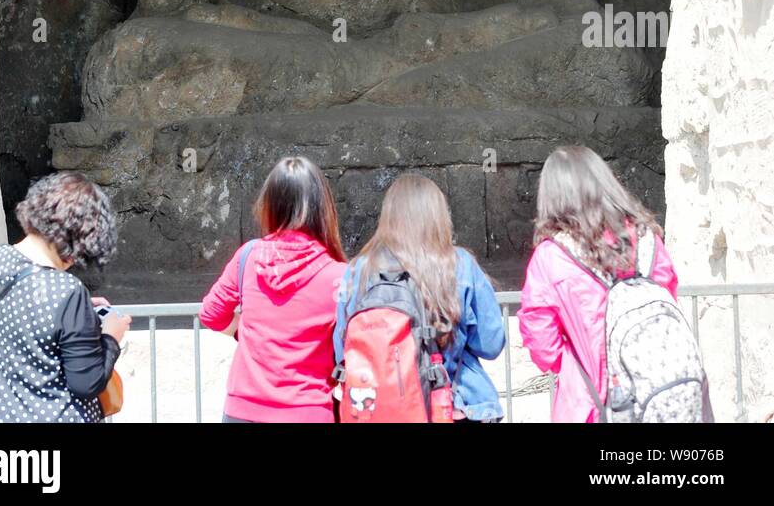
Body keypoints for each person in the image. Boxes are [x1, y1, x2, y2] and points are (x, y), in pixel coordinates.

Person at [518, 145, 679, 423]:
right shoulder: (647, 239)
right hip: (660, 389)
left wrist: (576, 364)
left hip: (590, 400)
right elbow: (667, 299)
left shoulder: (552, 256)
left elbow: (542, 343)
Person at [0, 171, 131, 423]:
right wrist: (110, 337)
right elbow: (86, 382)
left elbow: (18, 315)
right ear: (77, 235)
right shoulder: (66, 292)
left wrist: (78, 316)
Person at [334, 173, 505, 422]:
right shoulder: (460, 264)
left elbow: (342, 348)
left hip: (380, 407)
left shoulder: (358, 270)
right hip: (456, 405)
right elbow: (490, 344)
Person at [200, 156, 347, 423]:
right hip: (306, 411)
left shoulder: (248, 257)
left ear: (269, 205)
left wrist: (242, 329)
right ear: (323, 208)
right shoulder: (339, 277)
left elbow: (211, 314)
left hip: (242, 411)